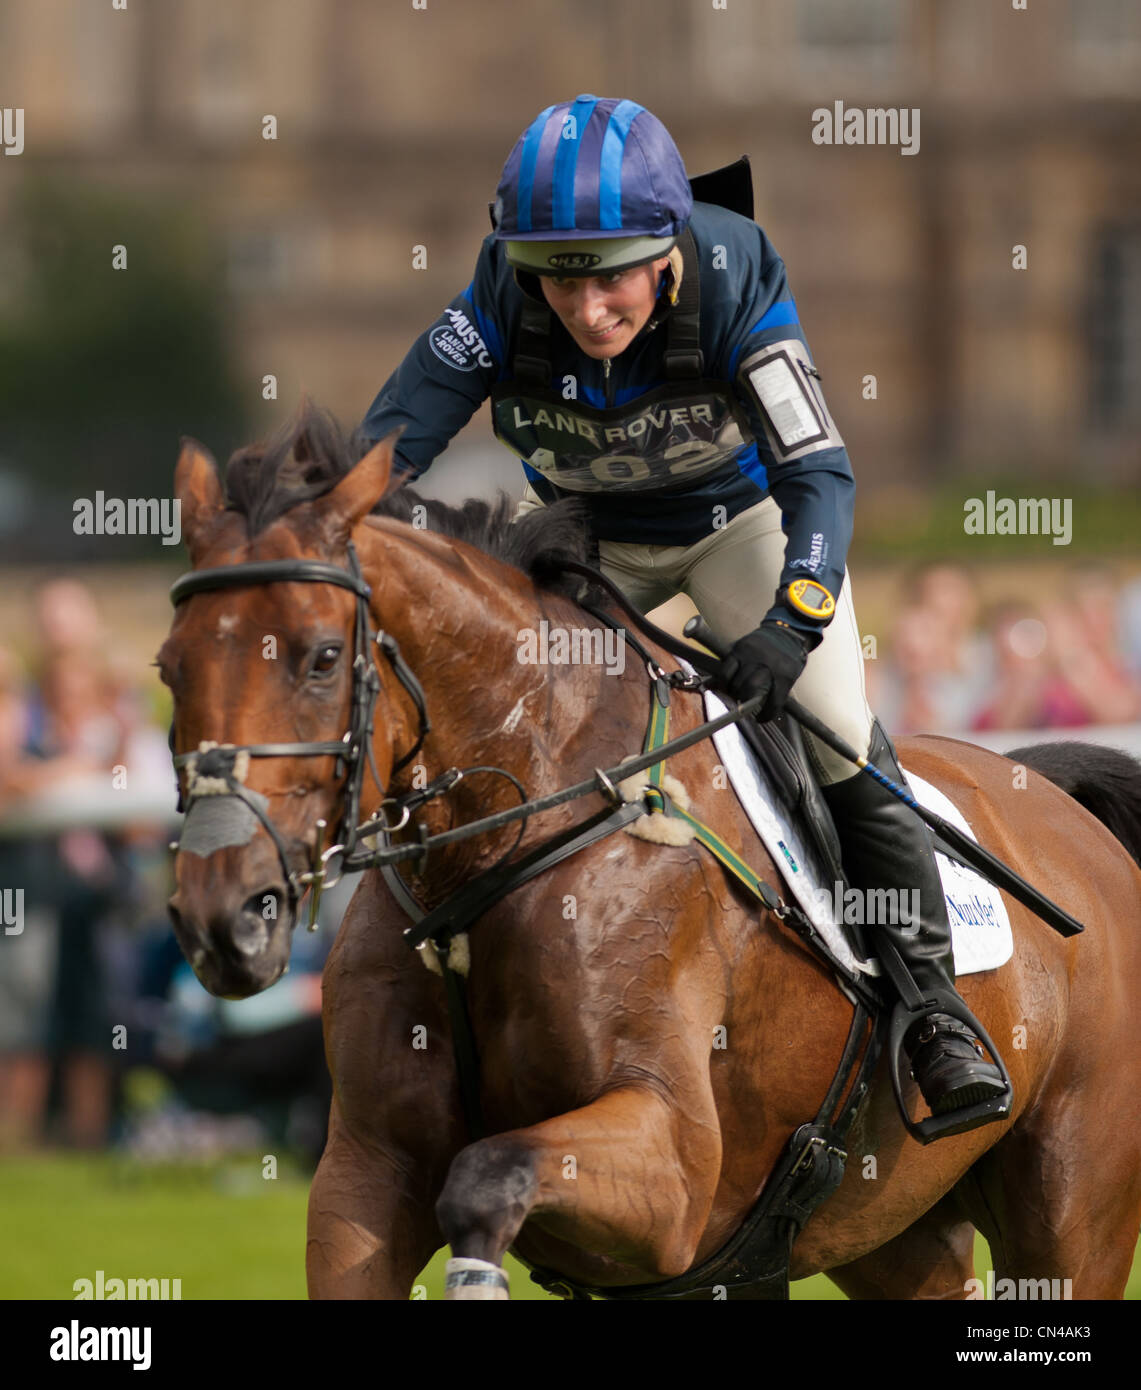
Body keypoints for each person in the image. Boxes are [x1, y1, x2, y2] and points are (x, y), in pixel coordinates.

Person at [361, 96, 1007, 1134]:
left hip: (735, 531)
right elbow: (388, 446)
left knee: (834, 728)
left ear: (667, 253)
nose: (584, 305)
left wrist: (790, 627)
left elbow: (820, 472)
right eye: (557, 275)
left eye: (610, 271)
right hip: (585, 538)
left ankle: (933, 1011)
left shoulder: (733, 268)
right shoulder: (499, 287)